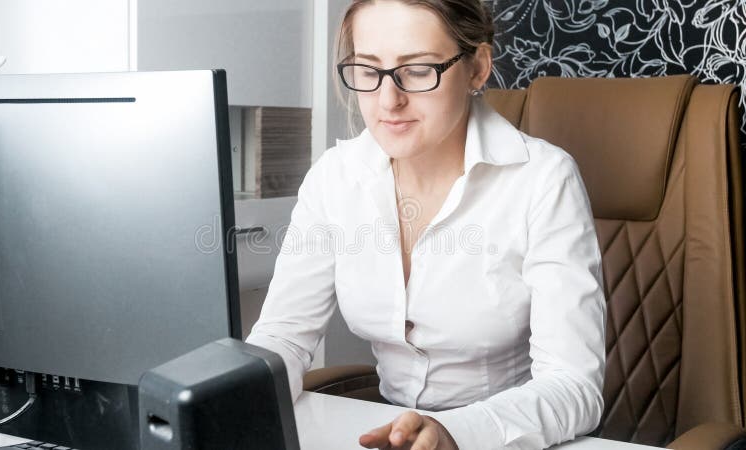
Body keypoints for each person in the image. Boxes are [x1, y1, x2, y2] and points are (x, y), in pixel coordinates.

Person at [245, 1, 606, 449]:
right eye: (367, 69)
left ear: (477, 68)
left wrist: (457, 433)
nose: (387, 100)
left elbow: (574, 385)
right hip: (389, 433)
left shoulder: (544, 180)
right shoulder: (335, 175)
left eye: (416, 70)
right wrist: (228, 404)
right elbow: (285, 335)